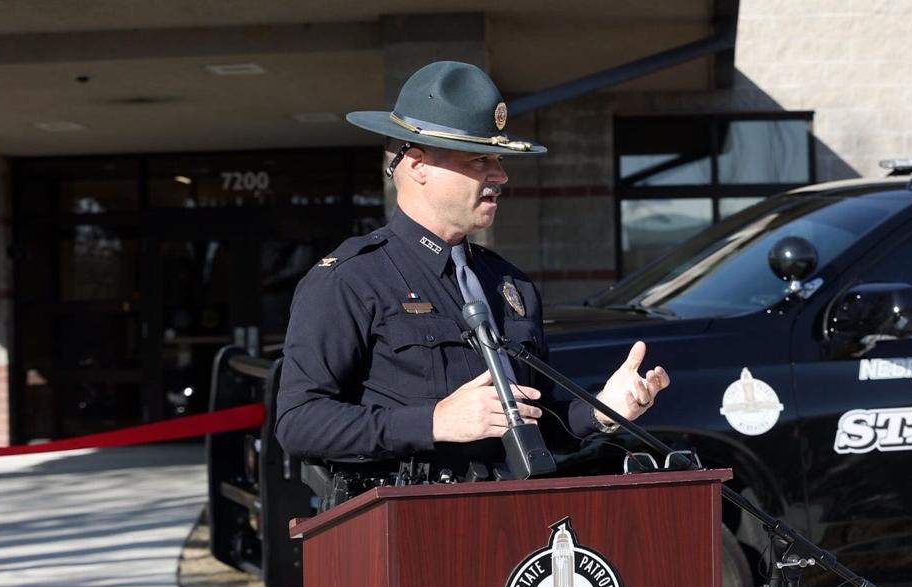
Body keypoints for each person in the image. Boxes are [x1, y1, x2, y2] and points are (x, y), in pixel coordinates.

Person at [276, 60, 668, 491]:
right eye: (479, 159)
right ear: (418, 164)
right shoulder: (351, 279)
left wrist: (602, 411)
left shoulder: (509, 284)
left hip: (509, 513)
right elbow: (298, 422)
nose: (500, 176)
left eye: (498, 159)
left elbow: (537, 422)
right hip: (409, 517)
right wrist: (433, 422)